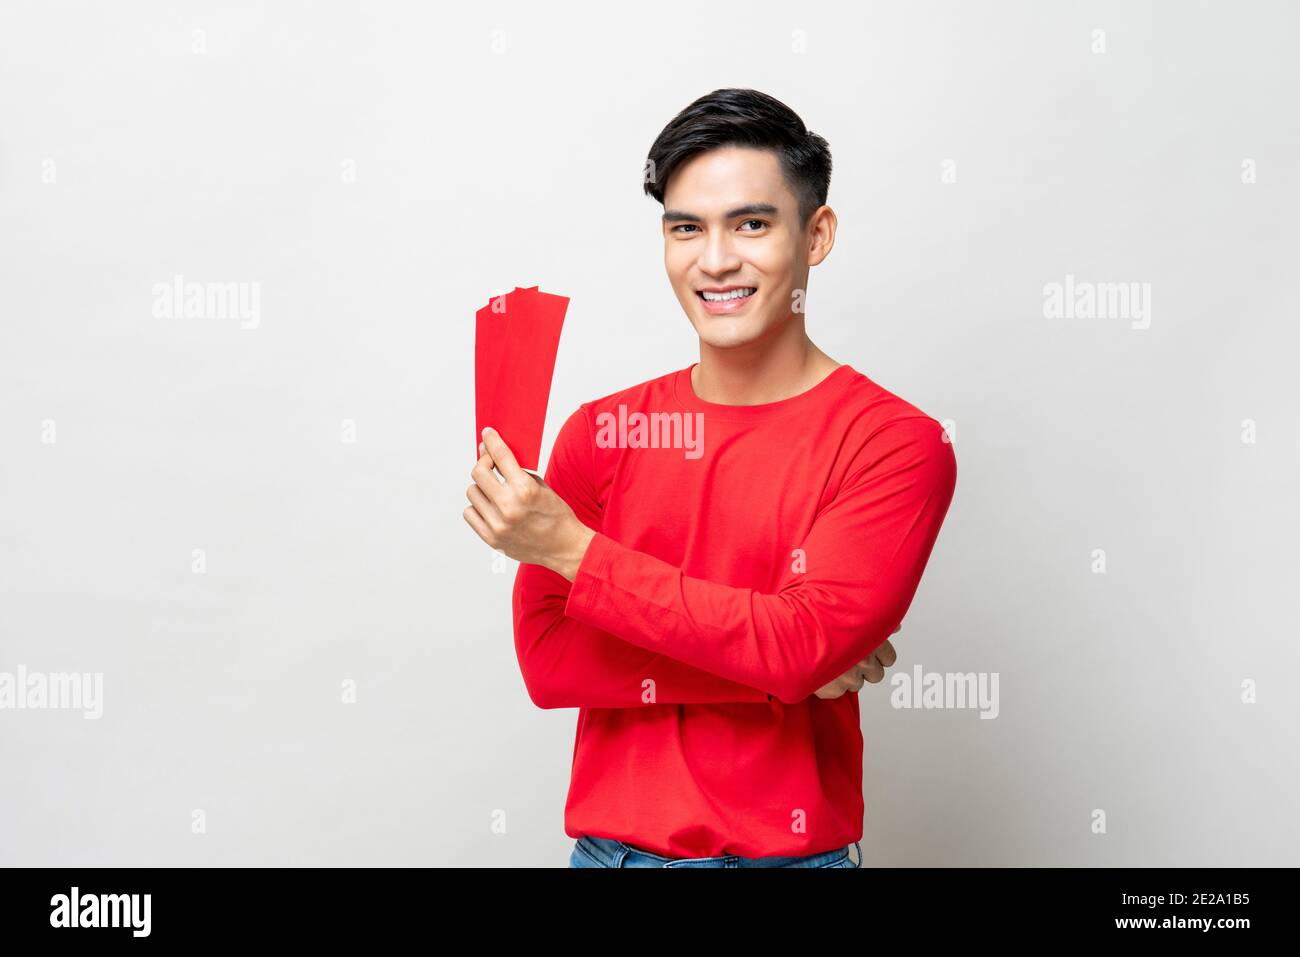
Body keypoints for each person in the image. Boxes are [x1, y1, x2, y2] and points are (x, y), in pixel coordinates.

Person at [463, 88, 957, 868]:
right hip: (609, 858)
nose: (715, 259)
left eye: (751, 224)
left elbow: (798, 647)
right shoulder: (602, 432)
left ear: (817, 234)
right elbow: (551, 663)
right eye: (686, 228)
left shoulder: (894, 443)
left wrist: (577, 554)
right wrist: (777, 673)